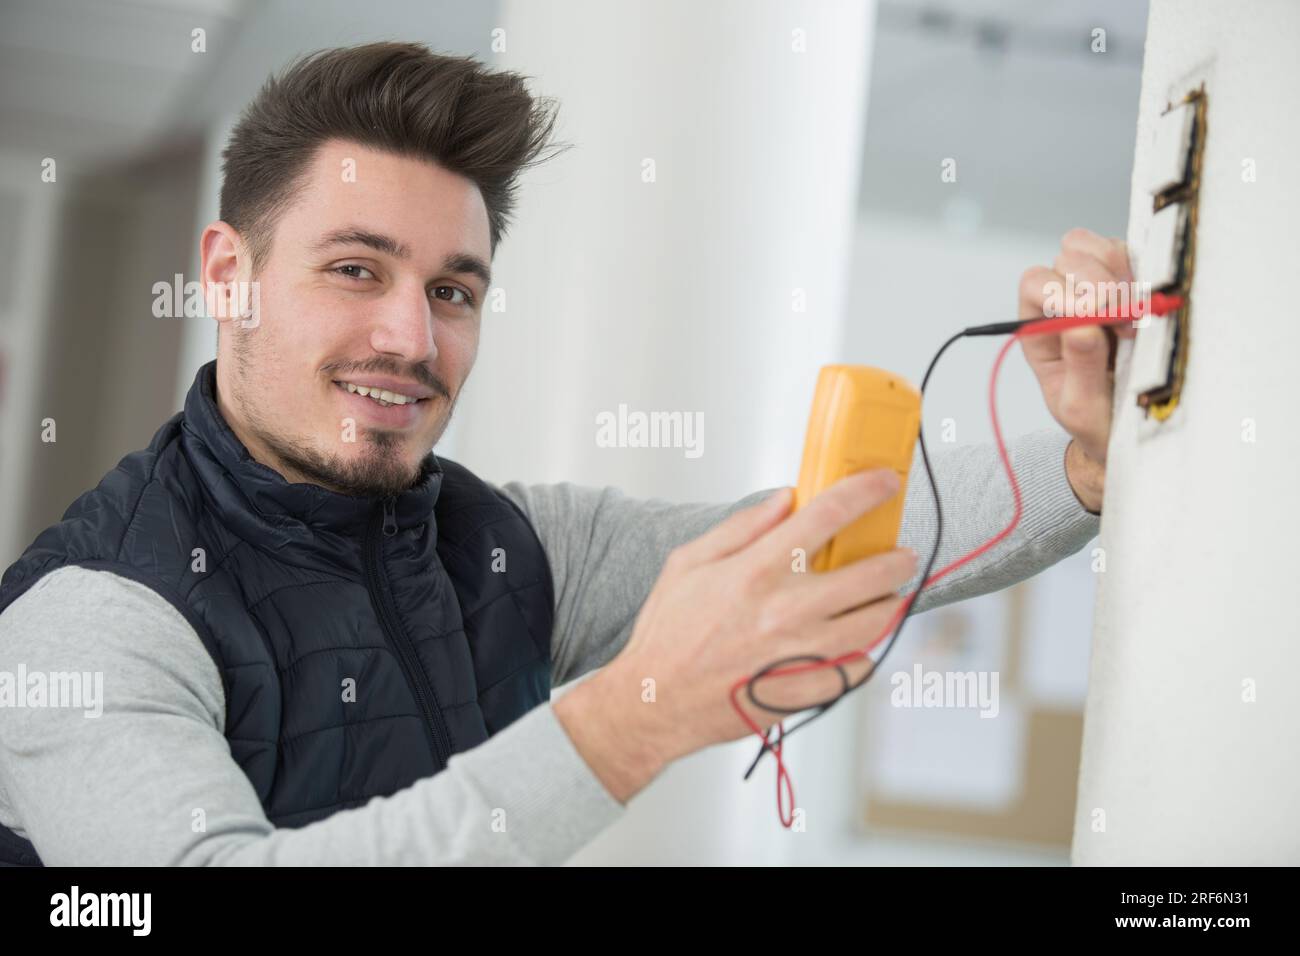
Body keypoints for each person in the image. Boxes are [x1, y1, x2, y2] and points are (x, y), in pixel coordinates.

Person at [0, 42, 1136, 866]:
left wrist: (1090, 465)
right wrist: (632, 716)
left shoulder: (512, 547)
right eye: (355, 268)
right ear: (226, 271)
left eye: (452, 289)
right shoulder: (89, 620)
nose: (410, 335)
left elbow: (818, 542)